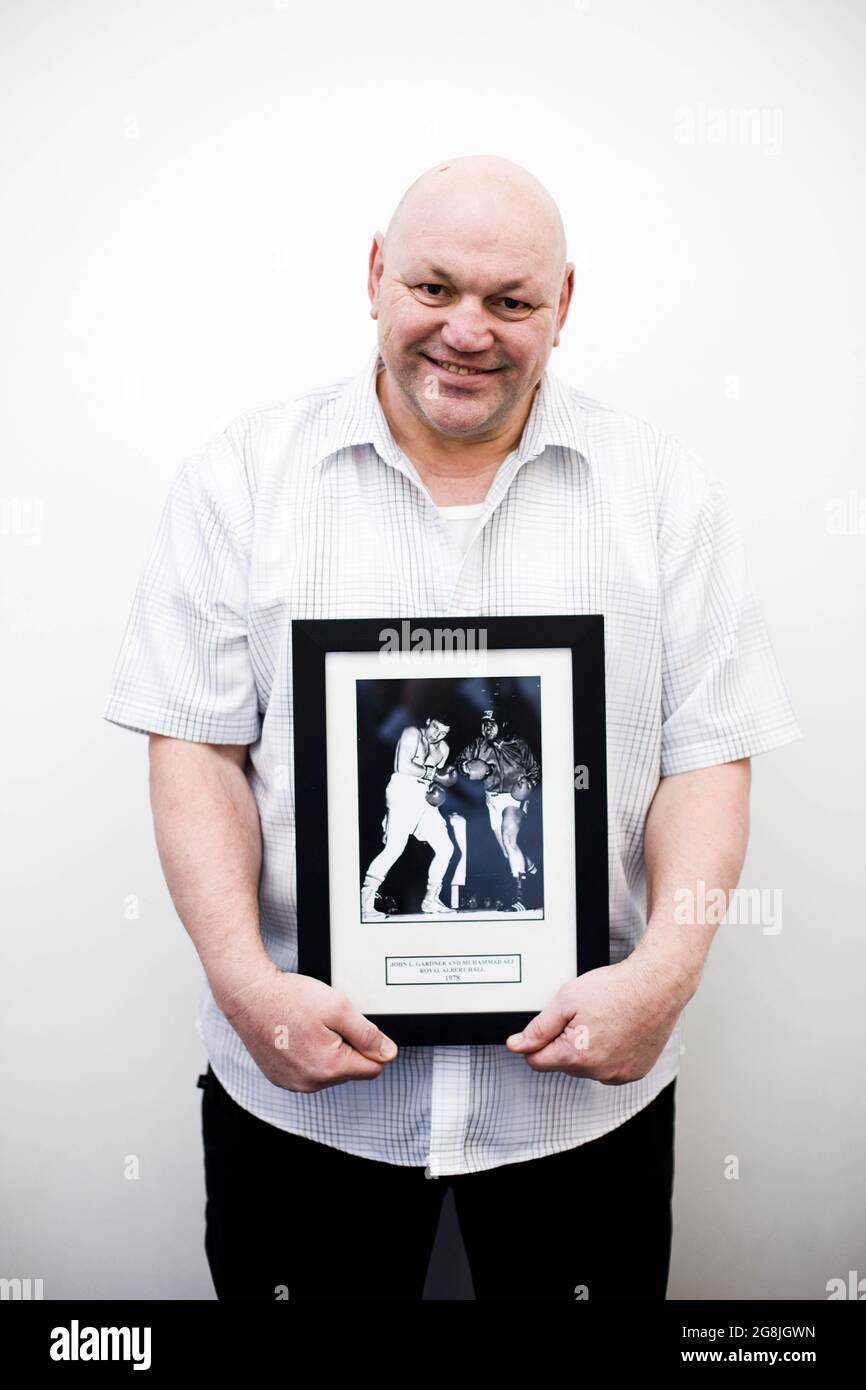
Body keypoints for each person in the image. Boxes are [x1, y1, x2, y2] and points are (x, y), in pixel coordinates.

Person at [104, 153, 802, 1301]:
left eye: (509, 302)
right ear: (376, 275)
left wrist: (664, 975)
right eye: (433, 289)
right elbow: (195, 748)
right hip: (304, 1100)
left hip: (578, 1108)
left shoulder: (662, 495)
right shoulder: (240, 482)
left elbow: (706, 759)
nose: (466, 331)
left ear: (561, 306)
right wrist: (244, 983)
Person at [360, 715, 457, 919]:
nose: (438, 735)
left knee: (446, 848)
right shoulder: (412, 733)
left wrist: (442, 785)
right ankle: (365, 902)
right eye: (436, 728)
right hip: (403, 791)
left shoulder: (444, 749)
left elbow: (432, 780)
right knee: (395, 848)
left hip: (425, 798)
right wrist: (435, 775)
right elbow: (403, 767)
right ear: (429, 721)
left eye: (444, 733)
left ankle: (431, 900)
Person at [458, 707, 540, 910]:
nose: (487, 728)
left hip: (513, 800)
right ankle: (533, 870)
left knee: (510, 842)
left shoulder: (519, 744)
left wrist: (527, 784)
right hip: (491, 801)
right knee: (507, 850)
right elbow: (459, 762)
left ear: (502, 724)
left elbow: (535, 770)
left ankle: (521, 898)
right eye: (484, 723)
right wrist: (467, 766)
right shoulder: (478, 745)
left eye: (491, 723)